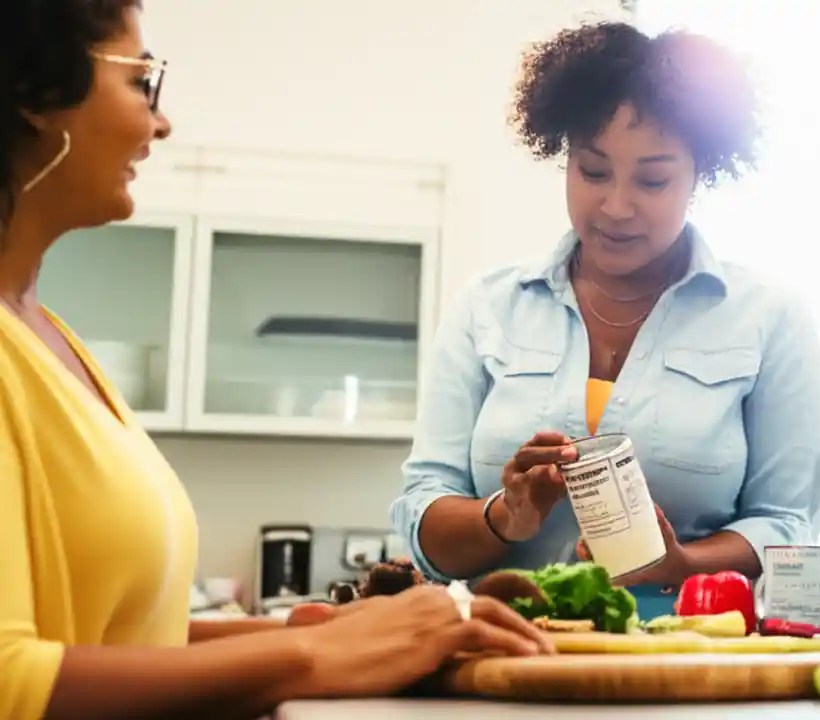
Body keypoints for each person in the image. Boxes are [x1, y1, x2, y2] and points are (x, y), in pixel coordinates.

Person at [0, 3, 550, 718]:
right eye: (142, 82)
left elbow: (124, 640)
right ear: (35, 95)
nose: (160, 124)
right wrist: (317, 656)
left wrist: (324, 629)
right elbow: (12, 679)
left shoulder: (49, 337)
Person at [390, 21, 820, 620]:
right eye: (593, 171)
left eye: (653, 180)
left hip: (686, 669)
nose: (617, 206)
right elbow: (423, 511)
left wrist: (684, 564)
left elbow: (789, 523)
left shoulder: (768, 318)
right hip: (504, 662)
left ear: (699, 174)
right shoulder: (486, 307)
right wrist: (503, 517)